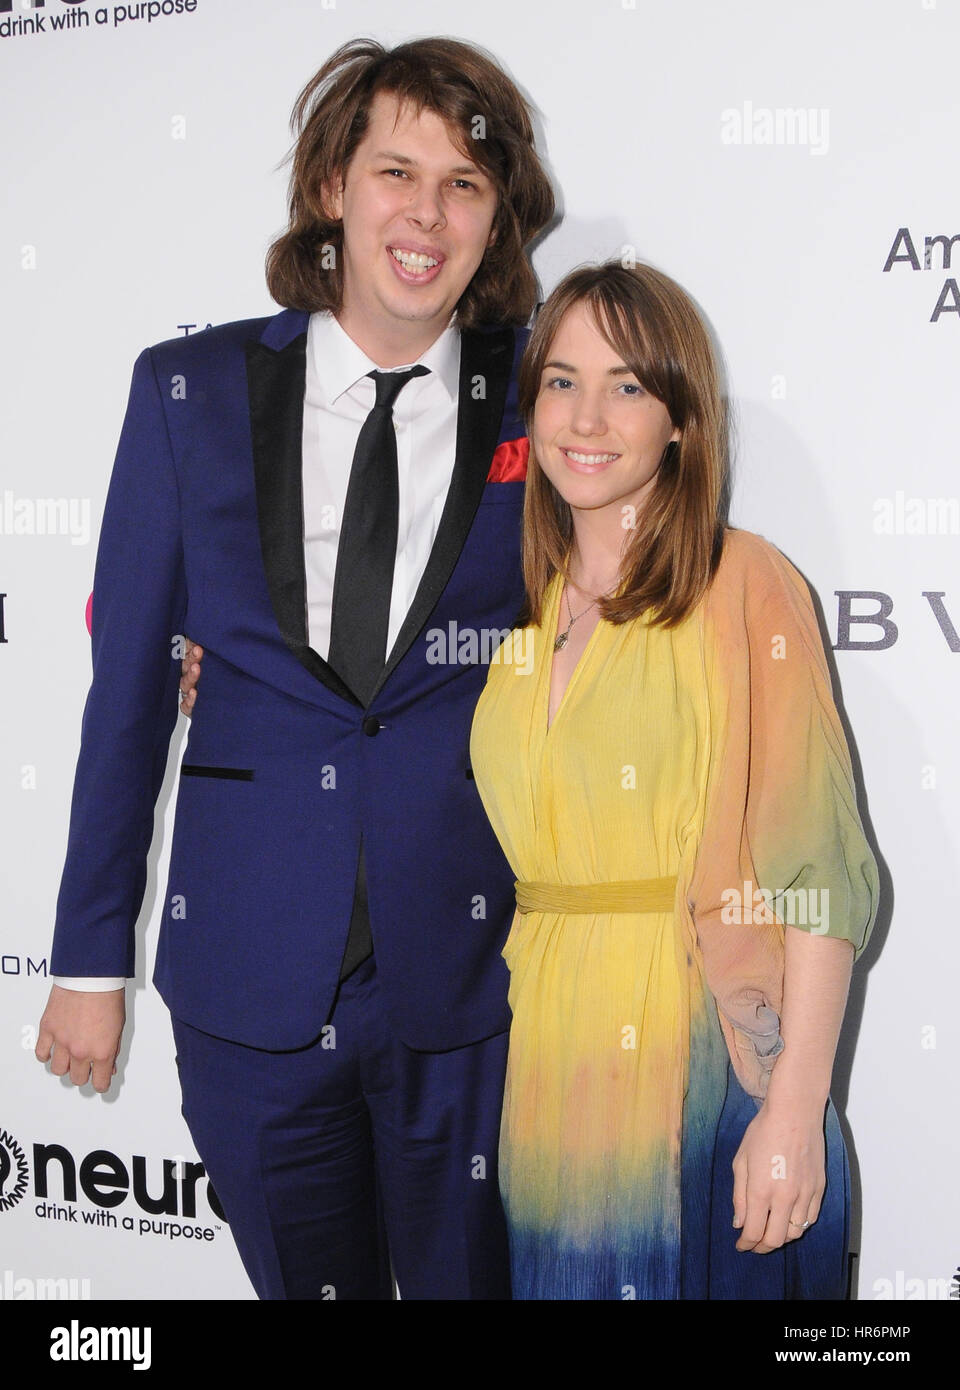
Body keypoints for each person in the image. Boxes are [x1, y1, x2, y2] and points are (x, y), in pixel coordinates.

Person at [36, 37, 554, 1300]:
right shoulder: (187, 392)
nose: (426, 214)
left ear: (496, 221)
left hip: (473, 986)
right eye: (396, 171)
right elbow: (127, 701)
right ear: (333, 187)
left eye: (465, 186)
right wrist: (89, 961)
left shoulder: (547, 402)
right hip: (249, 980)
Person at [467, 260, 880, 1299]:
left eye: (628, 386)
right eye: (561, 381)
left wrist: (795, 1107)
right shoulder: (516, 607)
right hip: (538, 1071)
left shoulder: (745, 583)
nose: (587, 416)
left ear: (683, 421)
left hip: (708, 1061)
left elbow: (819, 873)